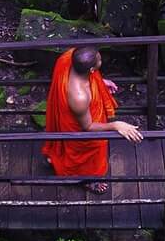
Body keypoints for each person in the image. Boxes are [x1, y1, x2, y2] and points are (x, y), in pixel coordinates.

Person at [44, 45, 142, 189]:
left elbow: (87, 74)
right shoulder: (79, 97)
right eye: (99, 59)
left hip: (80, 107)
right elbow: (88, 127)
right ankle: (87, 179)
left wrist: (100, 82)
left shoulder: (69, 57)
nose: (100, 59)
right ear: (91, 70)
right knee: (88, 156)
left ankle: (57, 158)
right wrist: (116, 125)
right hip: (82, 124)